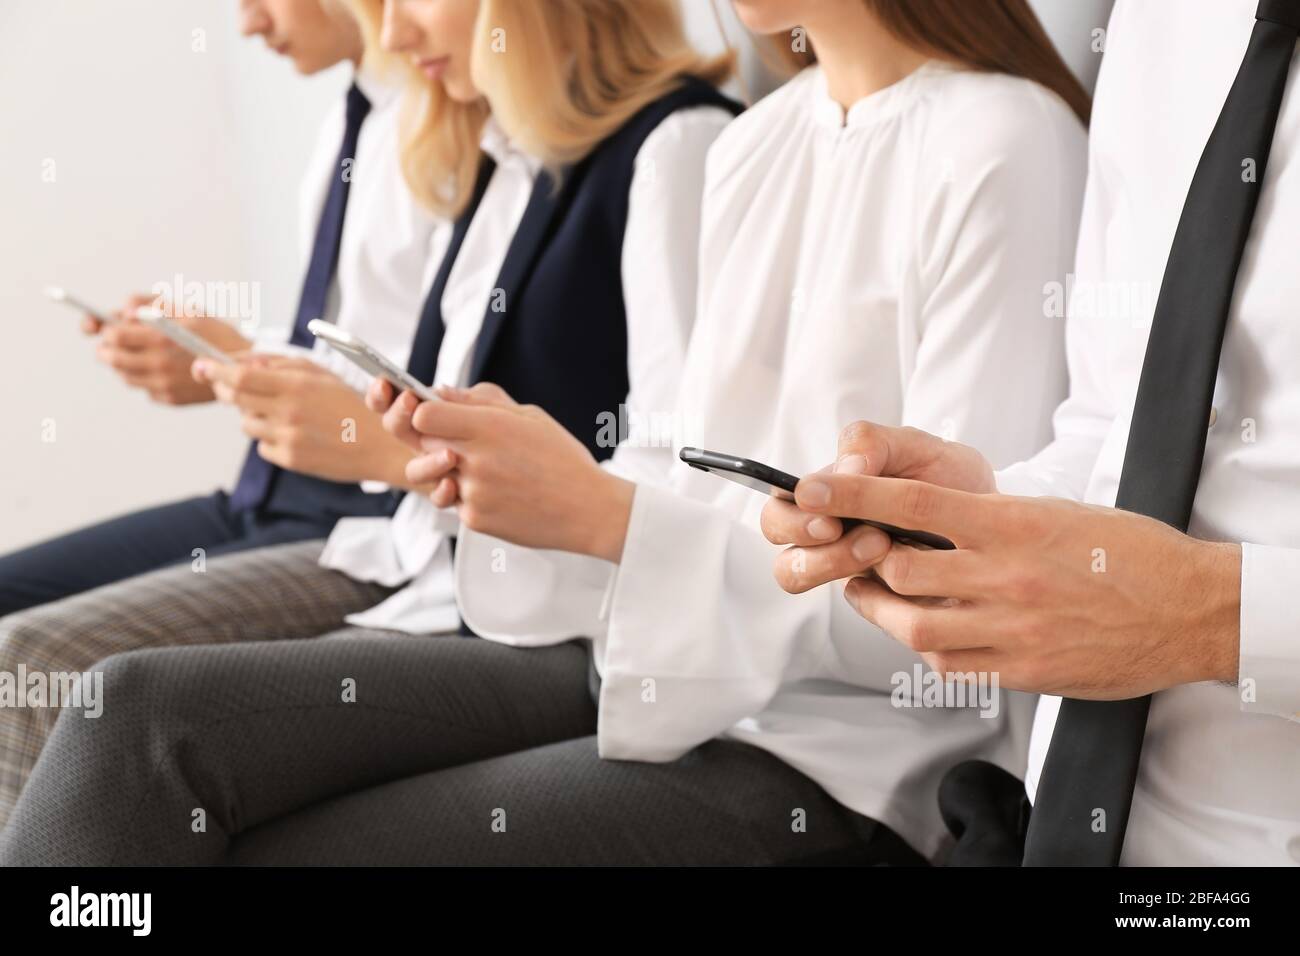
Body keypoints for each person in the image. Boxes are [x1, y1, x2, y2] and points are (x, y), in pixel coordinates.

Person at [0, 0, 736, 848]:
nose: (390, 36)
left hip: (553, 621)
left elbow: (683, 472)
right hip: (435, 573)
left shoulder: (675, 146)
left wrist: (377, 446)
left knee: (96, 693)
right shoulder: (507, 156)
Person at [761, 0, 1300, 866]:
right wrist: (983, 521)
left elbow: (1182, 591)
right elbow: (1110, 427)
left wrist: (1218, 618)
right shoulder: (1158, 22)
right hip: (1049, 826)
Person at [0, 0, 442, 618]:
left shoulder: (445, 132)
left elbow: (443, 386)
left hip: (367, 515)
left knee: (35, 650)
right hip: (267, 493)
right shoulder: (350, 128)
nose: (248, 24)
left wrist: (236, 359)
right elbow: (351, 347)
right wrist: (218, 360)